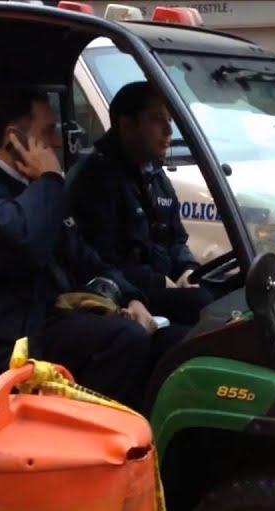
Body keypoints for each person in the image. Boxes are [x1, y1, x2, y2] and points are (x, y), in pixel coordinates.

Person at [0, 88, 163, 409]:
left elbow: (84, 258)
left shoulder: (37, 190)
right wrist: (49, 178)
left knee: (170, 339)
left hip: (41, 319)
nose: (57, 142)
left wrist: (131, 297)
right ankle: (84, 433)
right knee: (123, 339)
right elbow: (25, 244)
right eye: (48, 132)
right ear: (14, 139)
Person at [67, 80, 214, 329]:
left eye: (169, 120)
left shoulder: (153, 172)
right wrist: (158, 281)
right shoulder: (95, 179)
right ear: (127, 125)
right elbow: (99, 260)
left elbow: (175, 239)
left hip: (162, 283)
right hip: (127, 294)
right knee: (202, 305)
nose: (168, 130)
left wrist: (187, 270)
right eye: (157, 120)